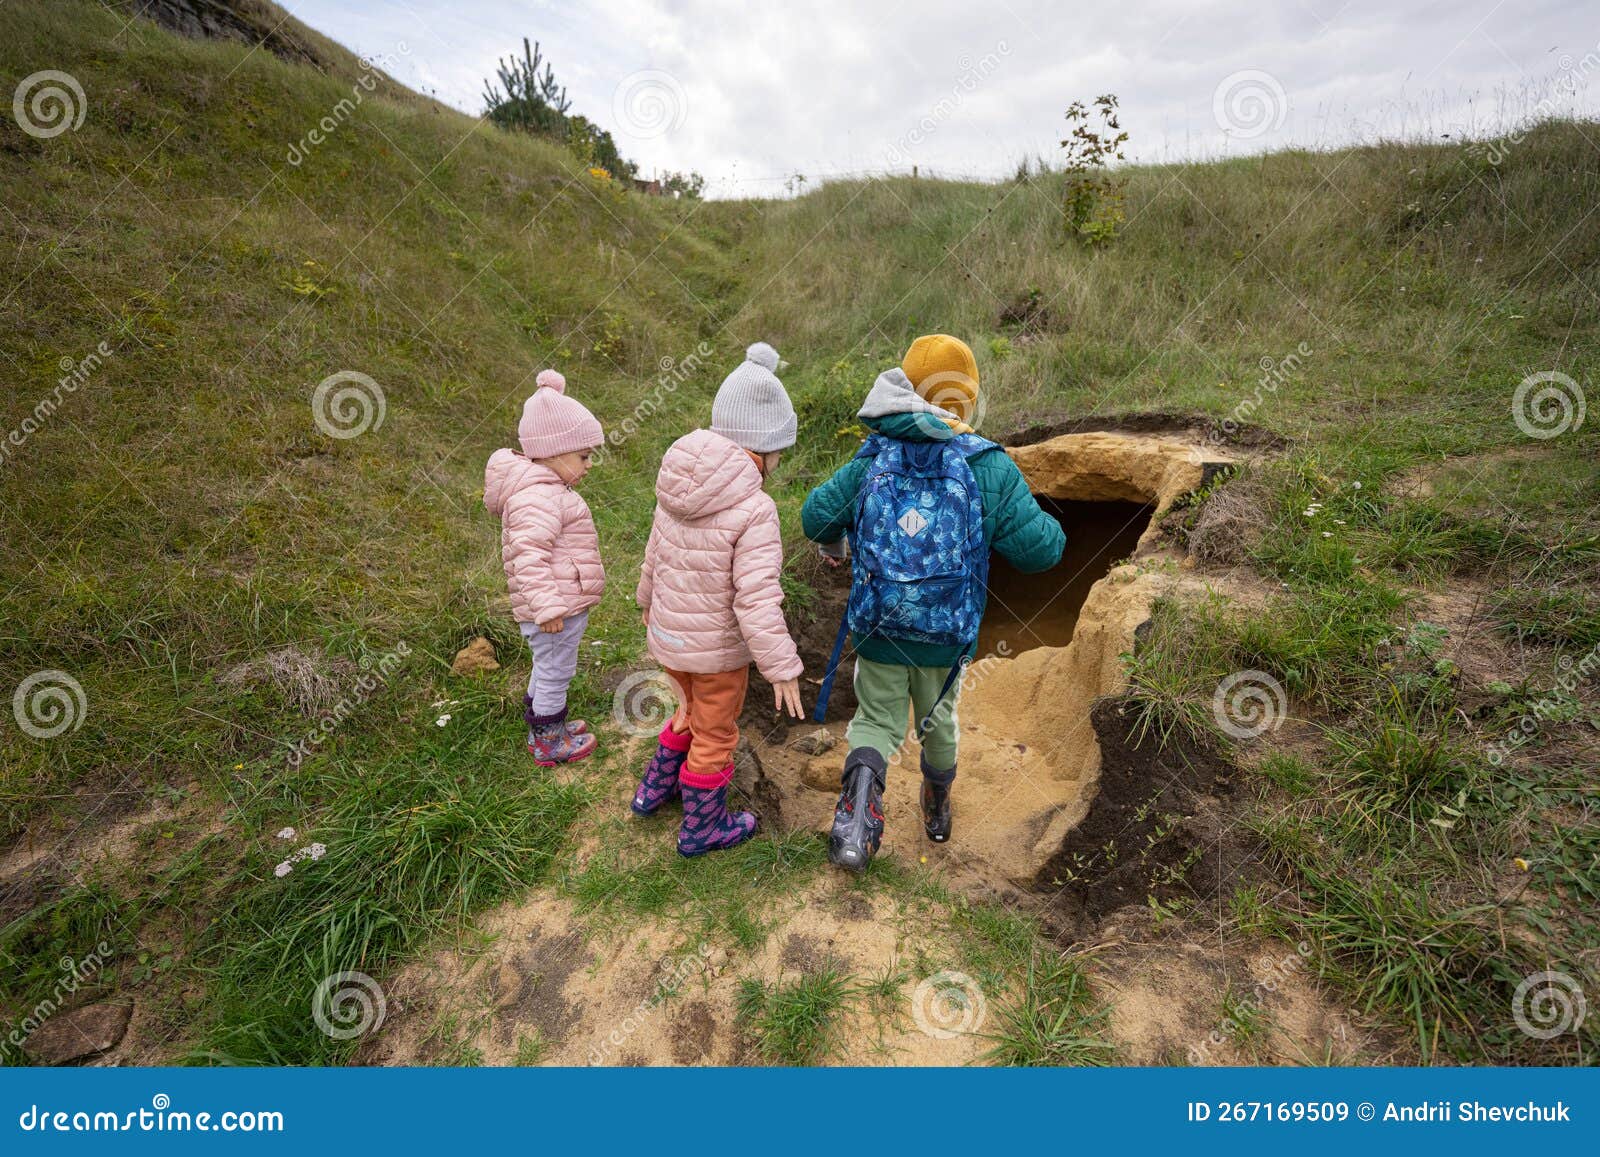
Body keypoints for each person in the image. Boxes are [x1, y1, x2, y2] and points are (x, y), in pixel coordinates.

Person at [801, 334, 1065, 870]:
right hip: (946, 635)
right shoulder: (987, 466)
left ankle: (854, 822)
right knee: (938, 722)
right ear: (966, 399)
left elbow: (815, 516)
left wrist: (838, 544)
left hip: (879, 627)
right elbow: (1041, 553)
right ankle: (937, 806)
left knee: (875, 720)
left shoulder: (875, 453)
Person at [633, 342, 806, 856]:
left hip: (667, 637)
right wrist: (781, 666)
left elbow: (654, 553)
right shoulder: (754, 509)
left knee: (684, 709)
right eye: (778, 452)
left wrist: (647, 601)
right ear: (762, 449)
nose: (777, 464)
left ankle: (653, 790)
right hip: (715, 654)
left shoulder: (676, 481)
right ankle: (702, 827)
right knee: (714, 732)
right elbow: (755, 599)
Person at [483, 369, 606, 765]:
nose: (589, 465)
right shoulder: (538, 498)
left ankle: (546, 724)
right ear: (553, 453)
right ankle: (549, 741)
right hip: (553, 610)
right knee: (556, 671)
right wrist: (548, 607)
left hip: (561, 605)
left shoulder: (548, 491)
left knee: (548, 666)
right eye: (583, 456)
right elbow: (528, 556)